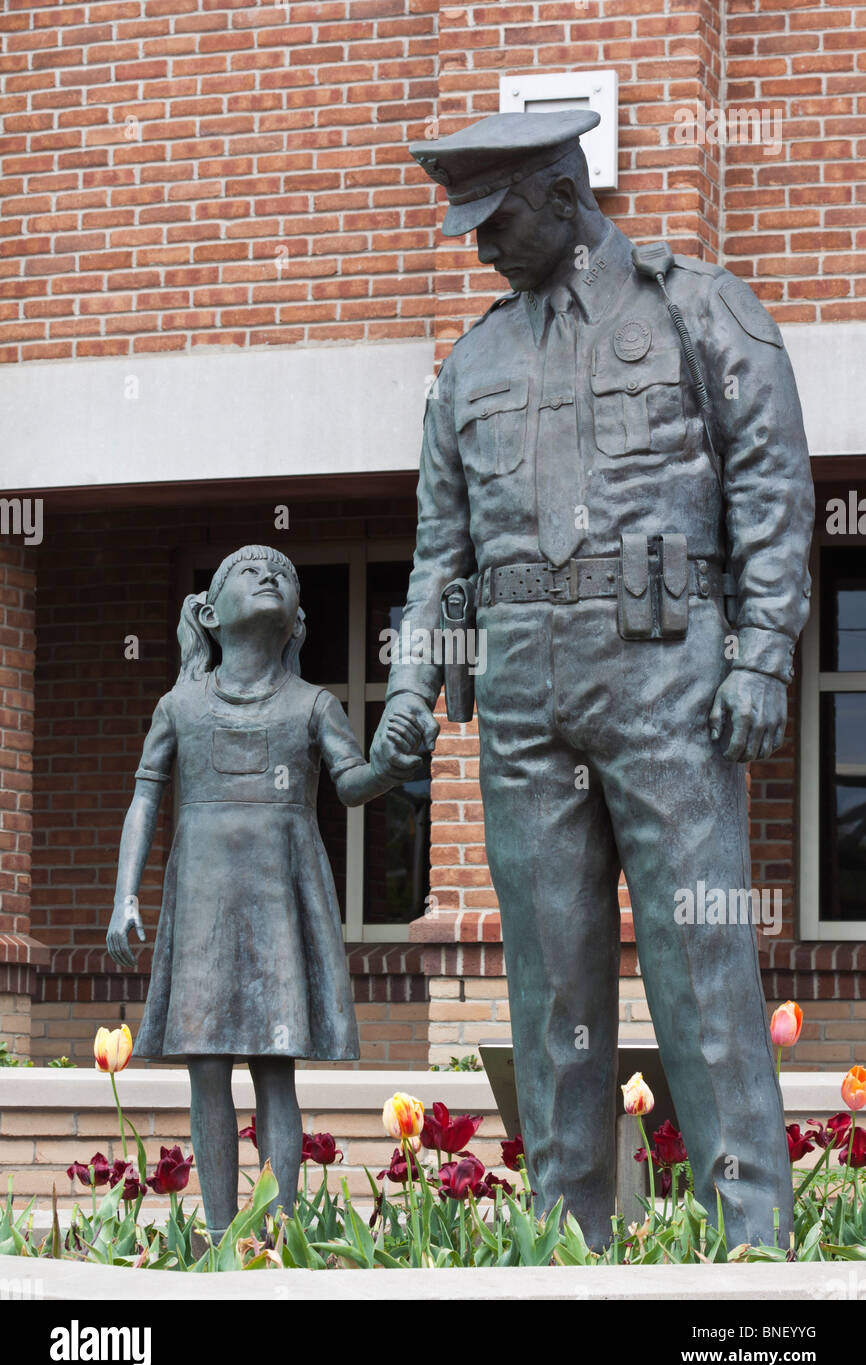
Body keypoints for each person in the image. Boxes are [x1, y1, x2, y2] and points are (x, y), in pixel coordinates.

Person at [370, 111, 815, 1250]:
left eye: (496, 217)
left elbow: (771, 492)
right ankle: (564, 1245)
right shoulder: (466, 364)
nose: (476, 245)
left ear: (565, 196)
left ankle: (750, 1247)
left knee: (700, 962)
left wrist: (763, 652)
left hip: (668, 676)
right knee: (548, 988)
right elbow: (437, 559)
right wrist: (414, 689)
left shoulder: (698, 310)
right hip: (521, 695)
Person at [106, 544, 421, 1239]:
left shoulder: (313, 704)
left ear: (296, 621)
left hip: (281, 896)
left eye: (282, 572)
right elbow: (144, 799)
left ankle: (279, 1235)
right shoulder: (179, 706)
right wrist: (125, 895)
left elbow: (353, 784)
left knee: (276, 1068)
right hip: (202, 904)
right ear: (211, 615)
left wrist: (390, 766)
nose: (269, 575)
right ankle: (222, 1233)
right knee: (208, 1064)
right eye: (249, 571)